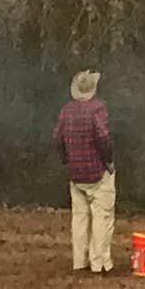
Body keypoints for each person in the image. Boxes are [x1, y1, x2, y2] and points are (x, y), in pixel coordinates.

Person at [55, 69, 117, 272]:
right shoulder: (97, 109)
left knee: (79, 218)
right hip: (97, 173)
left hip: (76, 174)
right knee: (102, 217)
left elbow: (57, 139)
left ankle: (79, 262)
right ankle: (100, 263)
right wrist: (109, 160)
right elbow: (103, 137)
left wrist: (67, 160)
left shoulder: (66, 111)